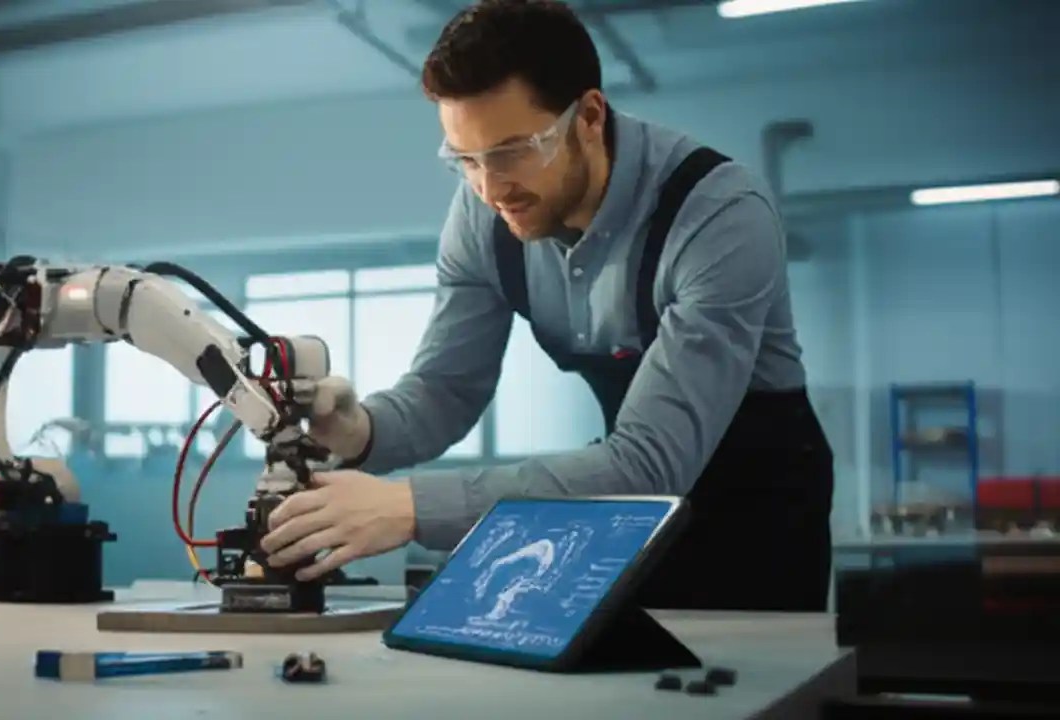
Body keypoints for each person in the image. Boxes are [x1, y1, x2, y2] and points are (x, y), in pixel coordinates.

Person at [259, 0, 834, 611]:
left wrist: (408, 507)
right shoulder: (485, 212)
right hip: (624, 509)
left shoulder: (718, 214)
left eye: (510, 151)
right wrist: (359, 430)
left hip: (757, 513)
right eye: (466, 159)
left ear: (588, 115)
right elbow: (445, 390)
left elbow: (648, 464)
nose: (488, 186)